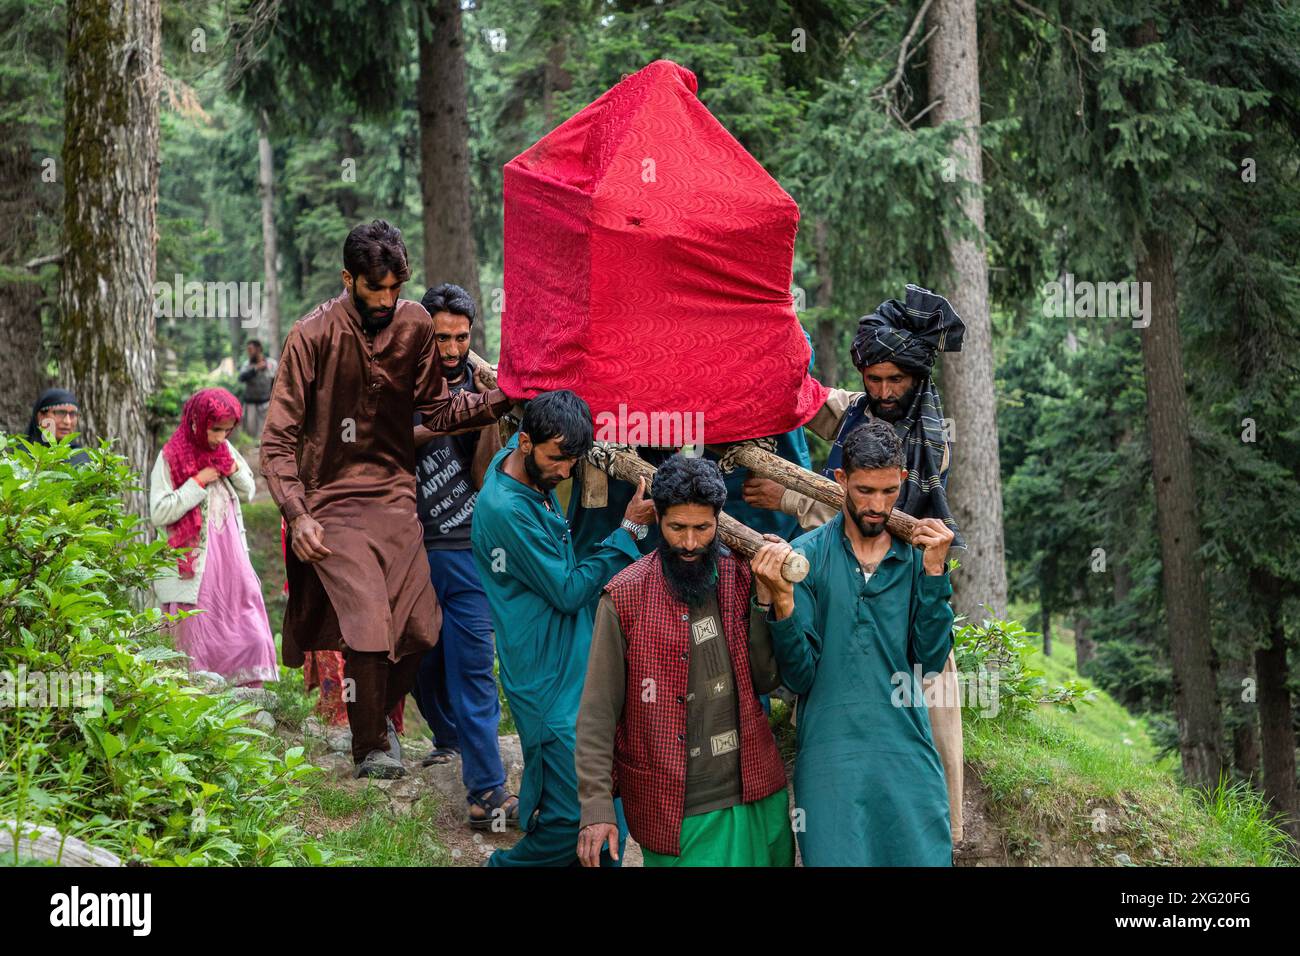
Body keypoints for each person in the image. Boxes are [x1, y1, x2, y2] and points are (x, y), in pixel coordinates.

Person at [260, 220, 513, 779]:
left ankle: (378, 726)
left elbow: (440, 410)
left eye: (396, 290)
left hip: (397, 499)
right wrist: (297, 514)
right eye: (375, 291)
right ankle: (371, 743)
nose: (387, 302)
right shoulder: (312, 335)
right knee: (369, 622)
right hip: (331, 500)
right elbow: (277, 439)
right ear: (347, 278)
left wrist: (501, 399)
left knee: (423, 626)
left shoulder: (415, 324)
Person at [741, 284, 968, 840]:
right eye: (875, 379)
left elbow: (883, 520)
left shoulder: (932, 438)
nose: (886, 392)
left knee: (930, 710)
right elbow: (798, 396)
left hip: (906, 585)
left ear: (918, 377)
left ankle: (941, 830)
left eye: (898, 380)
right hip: (835, 576)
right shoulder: (852, 412)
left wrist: (792, 499)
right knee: (824, 700)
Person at [575, 454, 794, 867]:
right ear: (658, 519)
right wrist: (596, 806)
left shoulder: (741, 576)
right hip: (675, 806)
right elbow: (597, 711)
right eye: (677, 528)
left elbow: (765, 680)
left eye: (702, 528)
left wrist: (768, 598)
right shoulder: (624, 595)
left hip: (757, 789)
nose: (690, 543)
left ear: (719, 521)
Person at [470, 389, 655, 866]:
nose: (565, 472)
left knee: (603, 798)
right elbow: (571, 590)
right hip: (545, 677)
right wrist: (629, 531)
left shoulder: (521, 463)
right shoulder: (508, 510)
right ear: (526, 442)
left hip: (573, 661)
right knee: (574, 817)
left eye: (573, 460)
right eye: (557, 459)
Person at [770, 420, 955, 865]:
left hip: (906, 753)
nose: (878, 506)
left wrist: (935, 575)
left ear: (903, 481)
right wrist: (781, 601)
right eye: (865, 491)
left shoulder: (917, 556)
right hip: (830, 758)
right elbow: (800, 674)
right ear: (841, 480)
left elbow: (928, 663)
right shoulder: (807, 555)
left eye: (890, 492)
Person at [409, 282, 516, 829]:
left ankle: (486, 792)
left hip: (467, 547)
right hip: (409, 548)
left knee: (474, 665)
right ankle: (446, 737)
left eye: (460, 338)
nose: (450, 349)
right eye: (440, 337)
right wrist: (464, 411)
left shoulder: (479, 385)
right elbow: (396, 445)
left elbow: (483, 473)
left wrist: (486, 409)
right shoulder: (400, 382)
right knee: (422, 661)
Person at [150, 387, 278, 687]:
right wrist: (198, 481)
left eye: (227, 430)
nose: (221, 437)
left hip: (230, 555)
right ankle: (199, 700)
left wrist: (230, 467)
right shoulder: (170, 456)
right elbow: (159, 511)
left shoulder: (225, 450)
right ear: (196, 421)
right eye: (215, 429)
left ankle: (245, 692)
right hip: (193, 563)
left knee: (247, 624)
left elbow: (248, 491)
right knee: (197, 626)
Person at [24, 388, 91, 466]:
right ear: (41, 417)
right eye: (60, 413)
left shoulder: (82, 459)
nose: (67, 421)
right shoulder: (23, 456)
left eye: (73, 414)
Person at [237, 340, 278, 441]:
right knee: (250, 431)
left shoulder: (272, 364)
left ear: (258, 349)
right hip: (251, 403)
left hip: (266, 403)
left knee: (266, 431)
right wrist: (255, 369)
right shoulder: (247, 365)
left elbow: (276, 381)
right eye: (248, 350)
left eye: (251, 349)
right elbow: (241, 378)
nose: (249, 352)